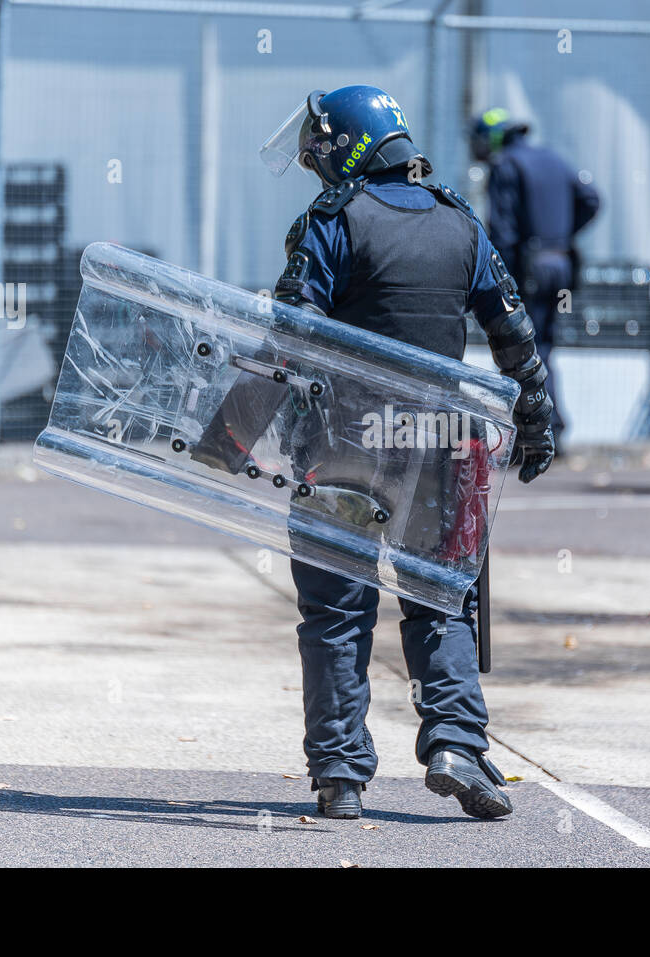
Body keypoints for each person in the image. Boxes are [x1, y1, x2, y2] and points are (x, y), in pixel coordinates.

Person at [259, 85, 555, 819]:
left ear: (346, 145)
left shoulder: (332, 219)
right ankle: (456, 742)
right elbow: (513, 332)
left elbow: (289, 339)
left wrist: (231, 435)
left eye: (319, 146)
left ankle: (340, 777)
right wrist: (538, 420)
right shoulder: (461, 223)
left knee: (336, 608)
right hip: (444, 445)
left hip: (345, 444)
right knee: (439, 601)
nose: (314, 160)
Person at [471, 108, 599, 455]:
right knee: (543, 348)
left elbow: (504, 230)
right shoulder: (554, 159)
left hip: (529, 271)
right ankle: (549, 429)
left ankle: (539, 435)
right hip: (561, 267)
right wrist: (560, 235)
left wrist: (499, 277)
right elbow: (591, 199)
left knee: (522, 351)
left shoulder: (506, 166)